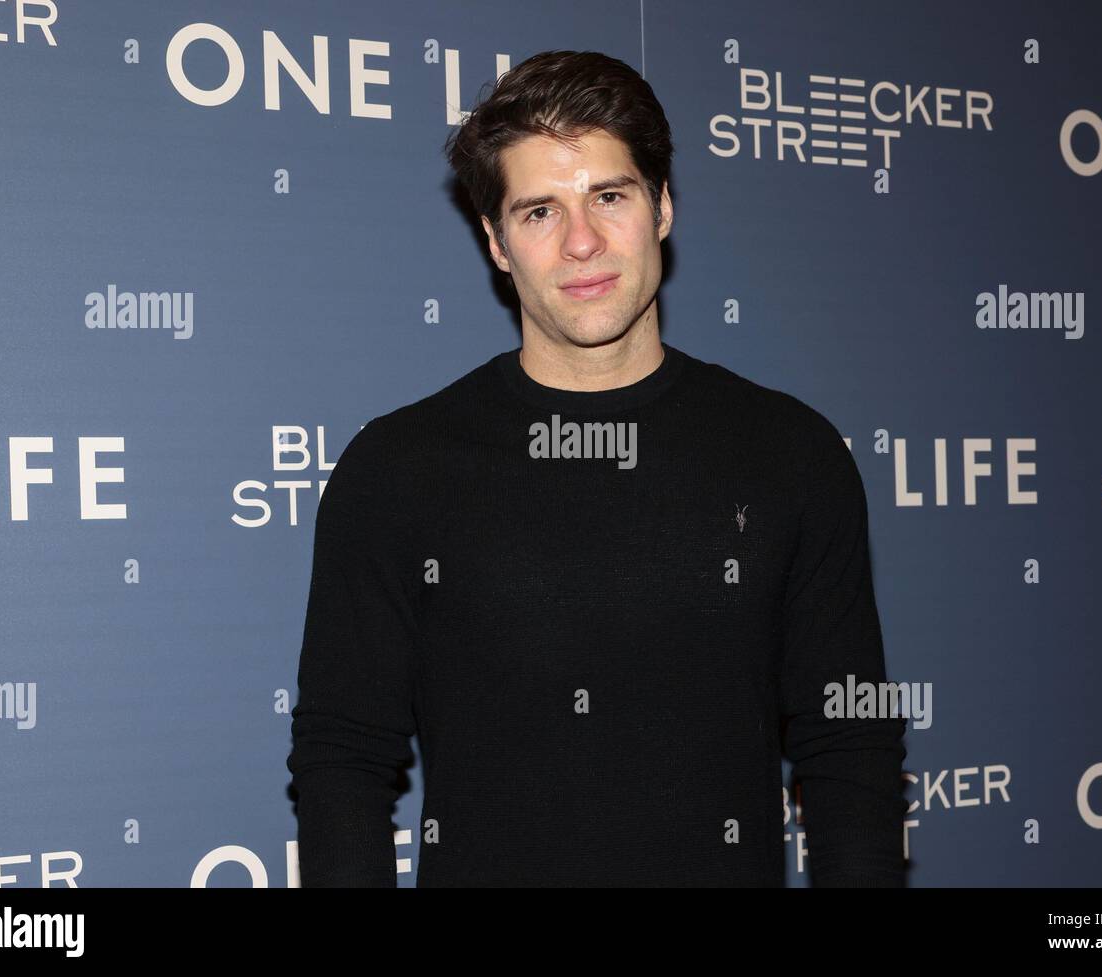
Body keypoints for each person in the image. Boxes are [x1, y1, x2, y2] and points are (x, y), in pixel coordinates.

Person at [286, 49, 907, 887]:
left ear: (661, 208)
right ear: (497, 244)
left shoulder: (791, 455)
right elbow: (343, 761)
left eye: (608, 196)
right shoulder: (397, 470)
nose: (582, 241)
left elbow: (849, 745)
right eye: (539, 211)